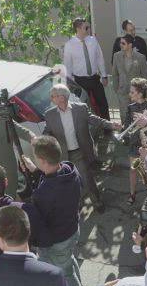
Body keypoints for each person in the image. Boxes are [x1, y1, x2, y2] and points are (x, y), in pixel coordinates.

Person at [20, 136, 86, 286]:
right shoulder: (69, 170)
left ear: (43, 161)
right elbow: (53, 183)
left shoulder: (44, 193)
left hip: (59, 240)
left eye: (35, 158)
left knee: (66, 273)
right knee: (68, 261)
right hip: (72, 230)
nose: (34, 159)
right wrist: (35, 171)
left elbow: (39, 219)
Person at [42, 84, 120, 213]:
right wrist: (42, 141)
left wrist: (110, 124)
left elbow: (95, 120)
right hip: (63, 155)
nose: (51, 99)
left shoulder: (80, 109)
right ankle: (77, 203)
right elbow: (47, 131)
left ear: (62, 97)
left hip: (79, 151)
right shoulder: (49, 114)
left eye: (53, 96)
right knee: (69, 181)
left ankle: (97, 201)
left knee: (87, 179)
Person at [62, 17, 111, 119]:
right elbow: (67, 65)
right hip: (80, 81)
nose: (89, 29)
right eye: (86, 28)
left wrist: (104, 76)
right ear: (78, 29)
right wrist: (70, 83)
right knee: (85, 107)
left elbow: (99, 58)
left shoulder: (93, 41)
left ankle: (108, 126)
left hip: (95, 78)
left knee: (103, 104)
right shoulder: (69, 45)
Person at [122, 78, 147, 204]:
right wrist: (124, 131)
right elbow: (126, 126)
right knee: (133, 169)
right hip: (134, 143)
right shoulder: (130, 107)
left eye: (132, 92)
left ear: (140, 94)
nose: (129, 94)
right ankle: (132, 193)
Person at [111, 34, 147, 124]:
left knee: (137, 115)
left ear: (130, 45)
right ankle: (125, 131)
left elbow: (145, 75)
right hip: (122, 91)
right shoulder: (116, 56)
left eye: (123, 43)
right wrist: (116, 88)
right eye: (120, 43)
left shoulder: (140, 57)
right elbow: (115, 74)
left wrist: (144, 92)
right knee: (124, 115)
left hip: (137, 93)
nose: (121, 45)